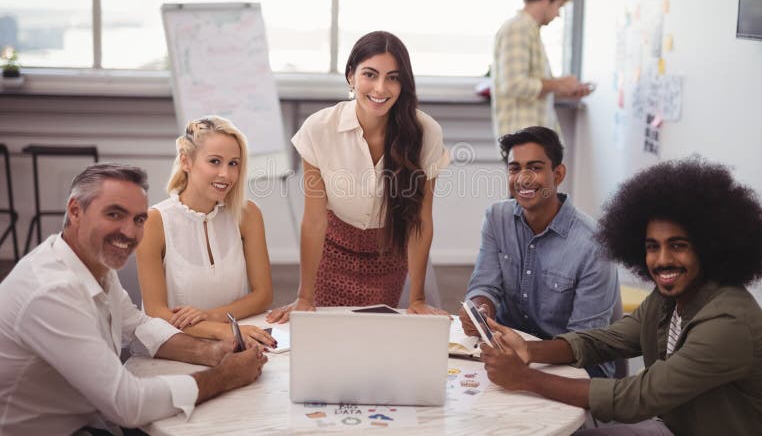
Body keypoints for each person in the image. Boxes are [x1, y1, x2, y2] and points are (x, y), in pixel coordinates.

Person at [481, 158, 762, 435]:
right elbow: (606, 340)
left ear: (709, 246)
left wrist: (525, 378)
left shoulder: (729, 324)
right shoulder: (672, 298)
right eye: (652, 246)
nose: (662, 260)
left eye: (678, 245)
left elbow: (639, 397)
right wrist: (529, 350)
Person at [0, 164, 267, 435]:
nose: (129, 233)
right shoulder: (51, 291)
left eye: (139, 219)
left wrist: (209, 352)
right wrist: (225, 377)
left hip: (90, 422)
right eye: (114, 214)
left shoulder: (95, 264)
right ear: (75, 211)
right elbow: (128, 404)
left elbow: (138, 324)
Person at [268, 31, 450, 322]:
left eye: (393, 77)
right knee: (329, 339)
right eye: (370, 74)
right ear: (351, 76)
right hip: (334, 253)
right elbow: (314, 220)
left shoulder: (426, 132)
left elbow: (420, 220)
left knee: (377, 342)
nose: (381, 88)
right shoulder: (319, 128)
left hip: (389, 254)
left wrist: (417, 298)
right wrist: (304, 297)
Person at [459, 126, 618, 378]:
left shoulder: (594, 244)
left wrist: (525, 352)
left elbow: (586, 343)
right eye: (514, 169)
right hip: (509, 352)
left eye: (534, 168)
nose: (523, 178)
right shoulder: (496, 218)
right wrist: (480, 308)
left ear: (558, 174)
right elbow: (484, 285)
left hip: (575, 366)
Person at [137, 116, 275, 348]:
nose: (226, 174)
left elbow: (262, 295)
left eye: (233, 163)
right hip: (177, 345)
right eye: (214, 162)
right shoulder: (154, 222)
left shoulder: (248, 214)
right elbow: (156, 313)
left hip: (237, 341)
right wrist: (223, 331)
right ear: (186, 162)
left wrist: (210, 317)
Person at [491, 0, 593, 141]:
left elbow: (536, 86)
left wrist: (565, 89)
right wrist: (559, 83)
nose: (558, 14)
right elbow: (514, 85)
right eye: (559, 5)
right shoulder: (518, 29)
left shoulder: (530, 31)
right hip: (522, 141)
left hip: (532, 139)